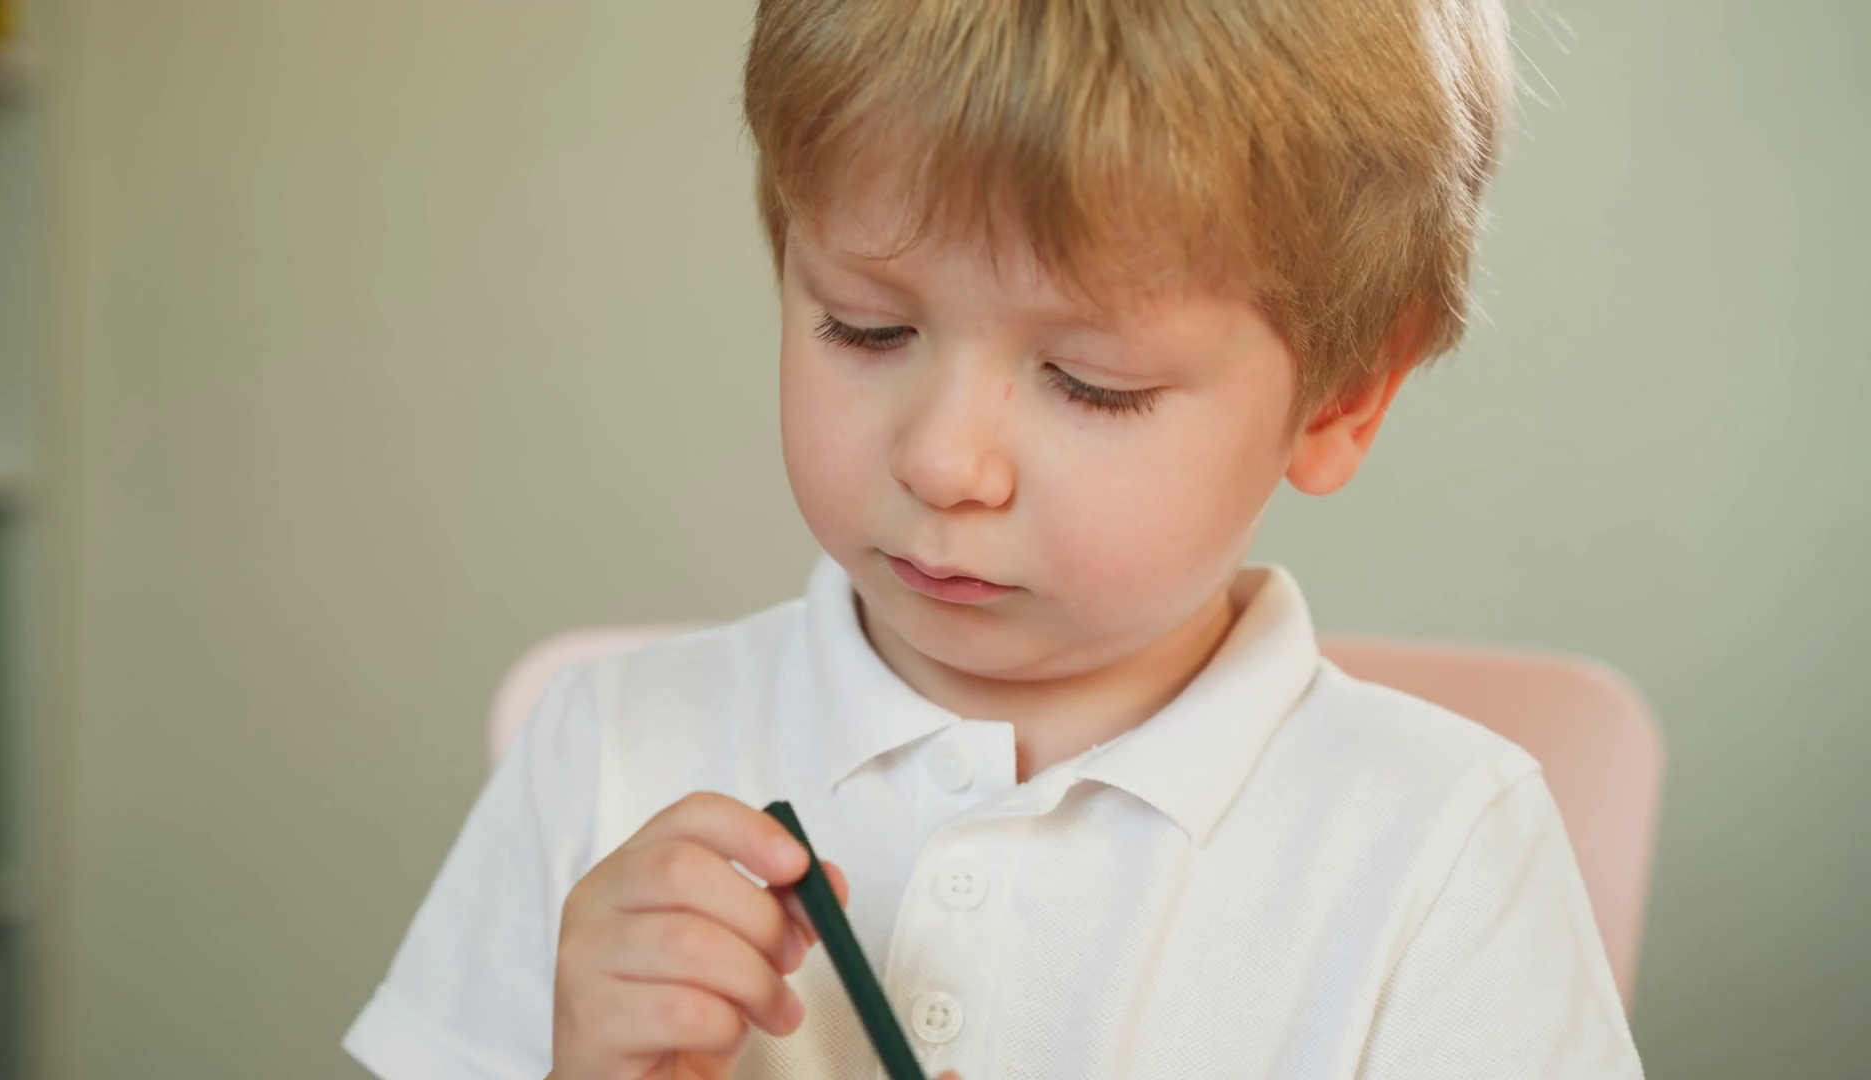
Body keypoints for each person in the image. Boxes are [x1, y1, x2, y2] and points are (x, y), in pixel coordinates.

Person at [344, 1, 1644, 1077]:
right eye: (865, 327)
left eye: (1091, 383)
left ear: (1347, 392)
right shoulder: (613, 752)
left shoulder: (1441, 847)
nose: (940, 460)